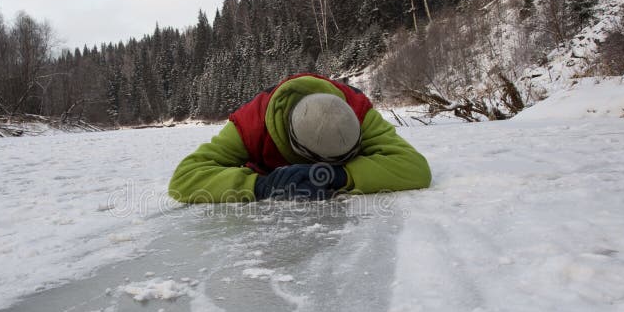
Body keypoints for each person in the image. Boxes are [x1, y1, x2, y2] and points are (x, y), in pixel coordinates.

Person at [168, 73, 431, 203]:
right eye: (330, 162)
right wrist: (261, 186)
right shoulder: (251, 123)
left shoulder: (358, 112)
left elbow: (415, 168)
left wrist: (341, 176)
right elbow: (184, 179)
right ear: (295, 145)